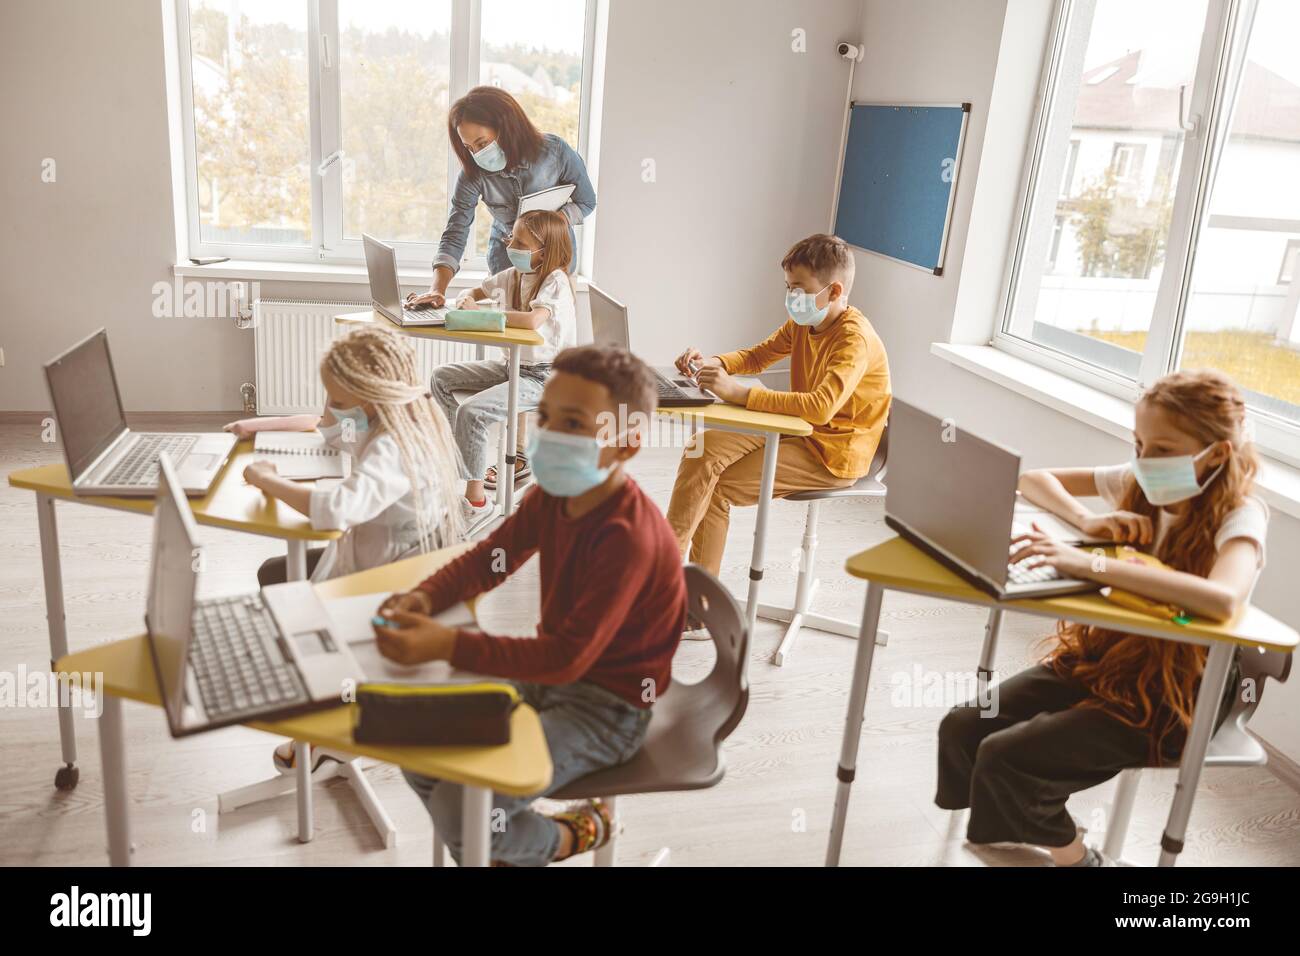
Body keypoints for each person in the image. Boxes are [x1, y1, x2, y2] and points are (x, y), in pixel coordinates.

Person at [936, 369, 1268, 866]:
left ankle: (1079, 860)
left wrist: (1091, 561)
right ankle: (1004, 825)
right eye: (1138, 443)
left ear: (1215, 454)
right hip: (1110, 657)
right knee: (965, 726)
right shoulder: (1137, 481)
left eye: (1161, 448)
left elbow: (1223, 599)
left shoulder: (1241, 514)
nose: (1142, 459)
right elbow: (1034, 480)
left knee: (1009, 755)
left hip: (1180, 687)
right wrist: (1089, 520)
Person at [377, 345, 687, 866]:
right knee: (417, 747)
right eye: (544, 416)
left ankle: (567, 836)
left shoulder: (627, 537)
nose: (548, 433)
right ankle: (497, 849)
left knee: (466, 812)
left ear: (626, 444)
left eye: (573, 422)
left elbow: (566, 656)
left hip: (608, 710)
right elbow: (489, 562)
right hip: (552, 681)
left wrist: (448, 644)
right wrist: (424, 596)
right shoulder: (551, 497)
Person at [240, 325, 464, 775]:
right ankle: (332, 707)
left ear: (371, 396)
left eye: (338, 400)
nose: (331, 409)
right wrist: (263, 425)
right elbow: (328, 432)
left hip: (388, 585)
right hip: (373, 562)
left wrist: (268, 481)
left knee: (279, 589)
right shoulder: (389, 418)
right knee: (273, 574)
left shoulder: (396, 446)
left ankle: (339, 731)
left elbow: (338, 508)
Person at [666, 233, 891, 578]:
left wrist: (738, 394)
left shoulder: (853, 339)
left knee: (717, 489)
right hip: (797, 428)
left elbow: (820, 408)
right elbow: (758, 356)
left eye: (798, 288)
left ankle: (696, 603)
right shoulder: (806, 323)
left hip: (832, 452)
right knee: (702, 448)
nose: (791, 297)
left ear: (833, 292)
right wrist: (714, 363)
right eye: (788, 287)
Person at [429, 209, 578, 526]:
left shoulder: (556, 281)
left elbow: (533, 320)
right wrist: (465, 299)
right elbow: (475, 291)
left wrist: (483, 316)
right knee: (441, 379)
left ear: (543, 250)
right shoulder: (513, 275)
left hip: (546, 377)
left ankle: (476, 500)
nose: (510, 243)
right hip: (513, 365)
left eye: (520, 242)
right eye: (513, 237)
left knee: (473, 411)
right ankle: (458, 456)